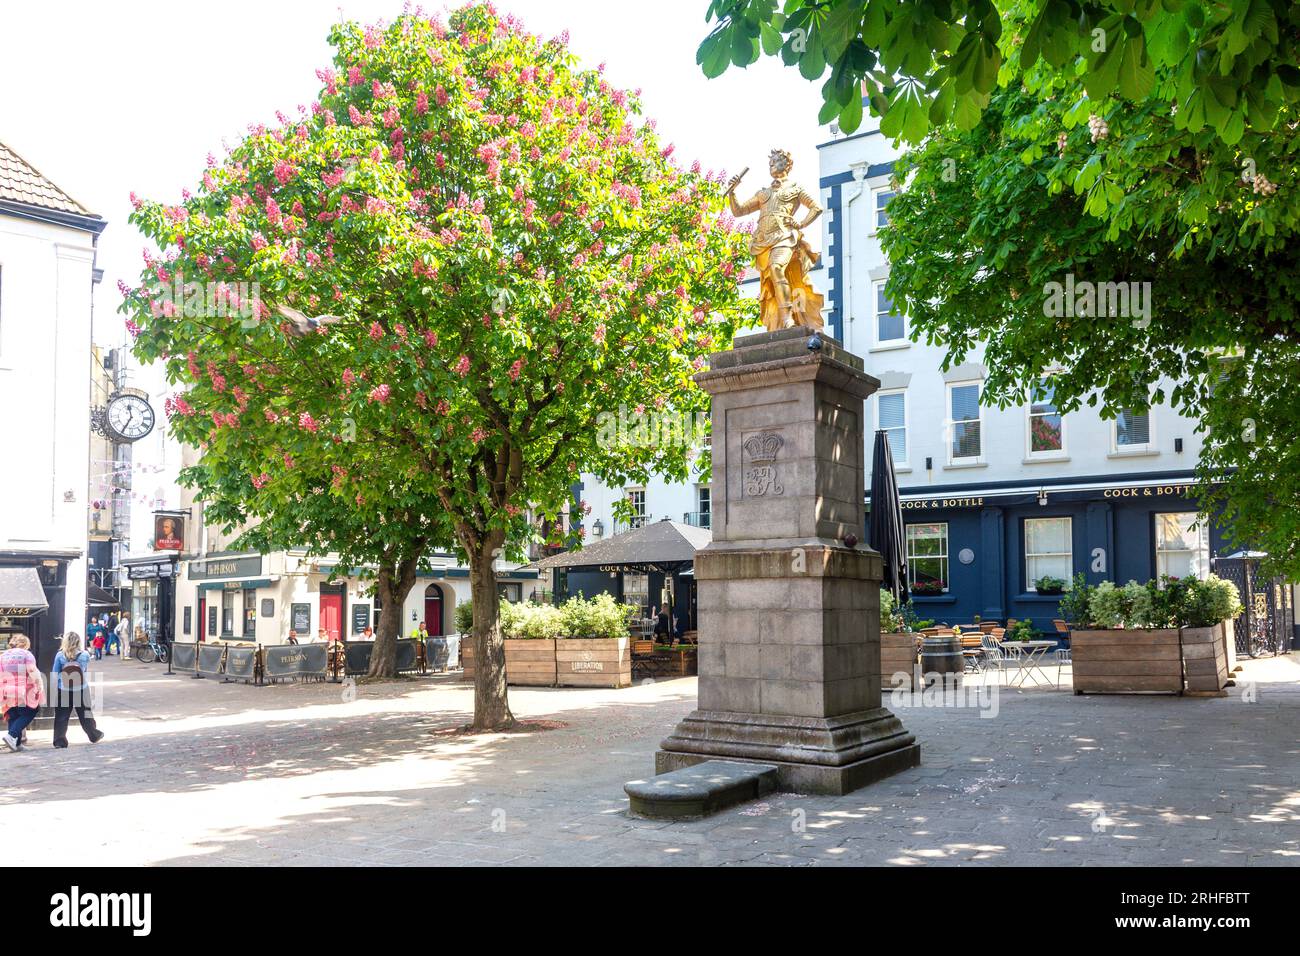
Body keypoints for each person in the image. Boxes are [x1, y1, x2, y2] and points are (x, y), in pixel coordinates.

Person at [52, 632, 103, 749]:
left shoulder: (60, 655)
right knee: (85, 712)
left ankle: (59, 741)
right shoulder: (85, 654)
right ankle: (94, 734)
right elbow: (84, 671)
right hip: (81, 688)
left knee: (61, 715)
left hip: (63, 688)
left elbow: (55, 673)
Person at [1, 635, 44, 751]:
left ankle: (17, 744)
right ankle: (12, 735)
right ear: (25, 644)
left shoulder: (3, 656)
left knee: (13, 714)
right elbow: (32, 670)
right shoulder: (26, 654)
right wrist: (39, 684)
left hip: (7, 690)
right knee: (30, 712)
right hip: (24, 690)